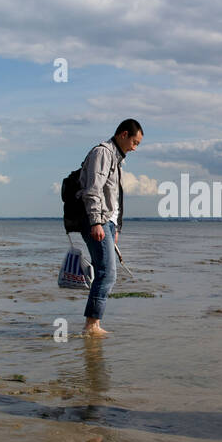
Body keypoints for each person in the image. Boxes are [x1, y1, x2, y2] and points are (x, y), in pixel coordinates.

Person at [77, 119, 143, 337]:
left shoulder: (116, 158)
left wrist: (115, 230)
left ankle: (92, 324)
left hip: (108, 223)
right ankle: (91, 325)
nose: (135, 148)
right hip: (98, 221)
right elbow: (92, 189)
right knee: (107, 273)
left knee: (105, 272)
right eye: (134, 142)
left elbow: (114, 198)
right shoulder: (103, 153)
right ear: (123, 134)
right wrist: (96, 222)